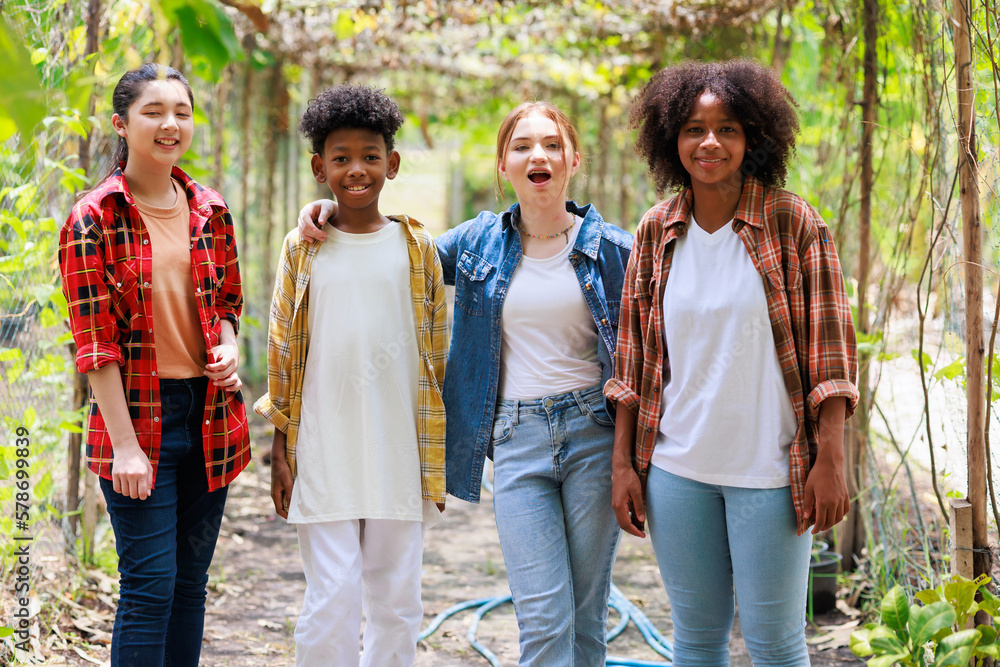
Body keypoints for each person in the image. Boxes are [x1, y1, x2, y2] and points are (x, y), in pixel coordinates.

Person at [298, 100, 632, 666]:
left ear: (573, 158)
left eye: (551, 144)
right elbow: (391, 248)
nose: (538, 155)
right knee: (546, 617)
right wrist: (330, 206)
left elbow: (640, 362)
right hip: (516, 437)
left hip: (594, 436)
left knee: (586, 615)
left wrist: (630, 459)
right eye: (521, 146)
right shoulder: (476, 242)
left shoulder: (616, 250)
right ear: (503, 165)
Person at [605, 58, 859, 666]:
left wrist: (831, 454)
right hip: (676, 471)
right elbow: (633, 357)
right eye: (693, 128)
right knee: (696, 643)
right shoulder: (656, 230)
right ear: (673, 140)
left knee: (775, 646)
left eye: (727, 129)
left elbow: (831, 349)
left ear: (754, 138)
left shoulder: (792, 223)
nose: (710, 142)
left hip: (769, 475)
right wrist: (623, 465)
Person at [58, 63, 249, 666]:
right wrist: (126, 446)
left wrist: (228, 345)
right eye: (153, 112)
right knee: (149, 588)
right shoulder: (93, 219)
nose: (171, 124)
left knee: (190, 587)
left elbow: (226, 302)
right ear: (122, 123)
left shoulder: (209, 209)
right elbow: (94, 345)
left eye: (182, 112)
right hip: (138, 420)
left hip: (210, 416)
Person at [254, 84, 447, 666]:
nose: (356, 169)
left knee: (397, 599)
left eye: (369, 155)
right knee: (329, 597)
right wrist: (281, 450)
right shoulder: (302, 248)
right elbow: (282, 352)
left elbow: (435, 356)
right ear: (319, 168)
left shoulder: (417, 249)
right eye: (340, 158)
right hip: (323, 448)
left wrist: (433, 458)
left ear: (392, 163)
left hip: (398, 451)